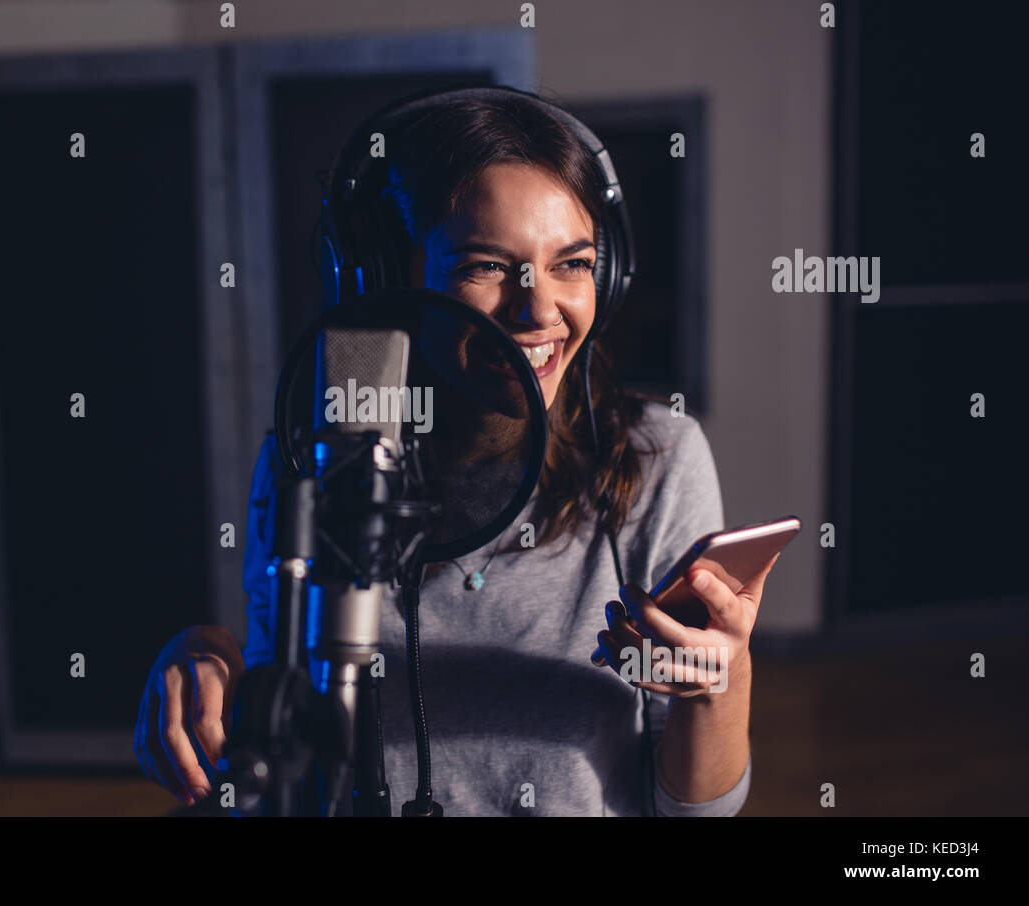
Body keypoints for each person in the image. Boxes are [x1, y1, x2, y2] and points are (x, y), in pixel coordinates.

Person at [134, 88, 780, 816]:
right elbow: (282, 721)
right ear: (389, 277)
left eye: (572, 263)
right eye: (488, 266)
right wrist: (207, 656)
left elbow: (699, 813)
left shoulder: (661, 458)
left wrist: (718, 686)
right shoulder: (317, 456)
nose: (539, 311)